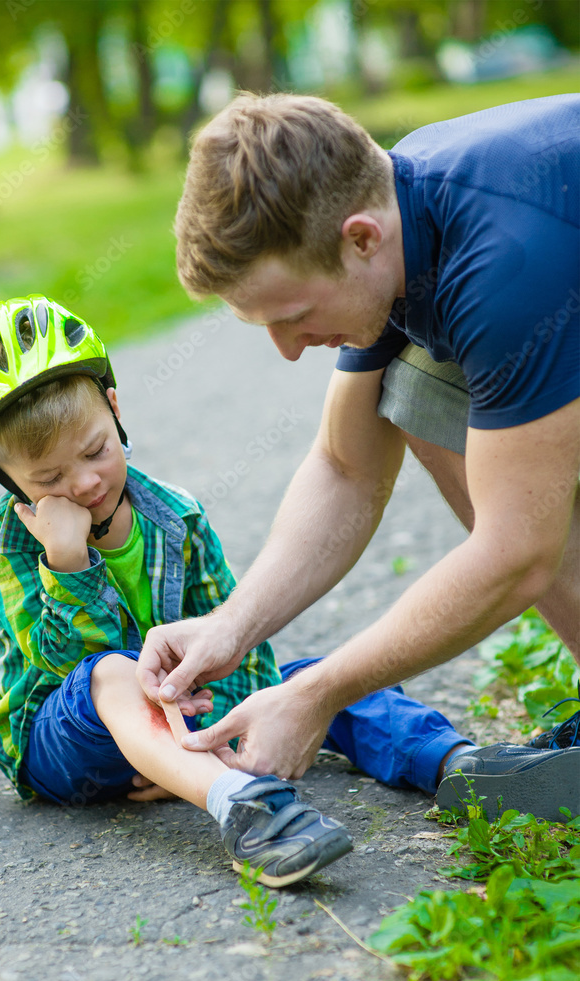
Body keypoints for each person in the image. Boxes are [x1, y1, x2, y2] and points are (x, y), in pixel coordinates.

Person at [136, 93, 580, 821]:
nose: (286, 350)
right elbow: (346, 467)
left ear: (360, 239)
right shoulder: (400, 220)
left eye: (293, 317)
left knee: (486, 471)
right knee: (412, 389)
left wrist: (317, 693)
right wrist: (232, 624)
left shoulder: (504, 263)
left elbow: (516, 553)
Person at [0, 293, 361, 887]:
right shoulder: (7, 545)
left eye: (96, 451)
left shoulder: (177, 517)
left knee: (315, 682)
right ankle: (245, 806)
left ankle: (452, 763)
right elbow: (64, 666)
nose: (83, 483)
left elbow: (230, 634)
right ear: (5, 481)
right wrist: (69, 559)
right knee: (110, 672)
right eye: (48, 479)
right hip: (64, 742)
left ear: (114, 409)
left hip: (186, 721)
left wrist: (206, 740)